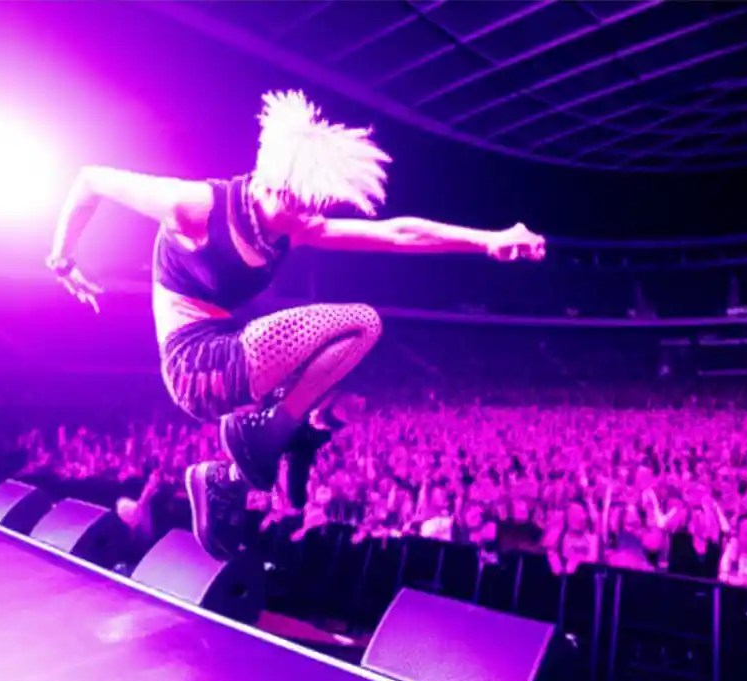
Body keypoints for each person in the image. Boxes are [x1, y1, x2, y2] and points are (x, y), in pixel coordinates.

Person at [47, 90, 545, 558]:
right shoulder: (196, 207)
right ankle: (273, 434)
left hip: (234, 357)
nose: (310, 218)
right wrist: (63, 257)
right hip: (194, 365)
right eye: (303, 206)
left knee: (361, 337)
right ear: (272, 187)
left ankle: (233, 475)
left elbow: (395, 233)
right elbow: (90, 179)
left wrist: (487, 240)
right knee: (358, 321)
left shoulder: (290, 224)